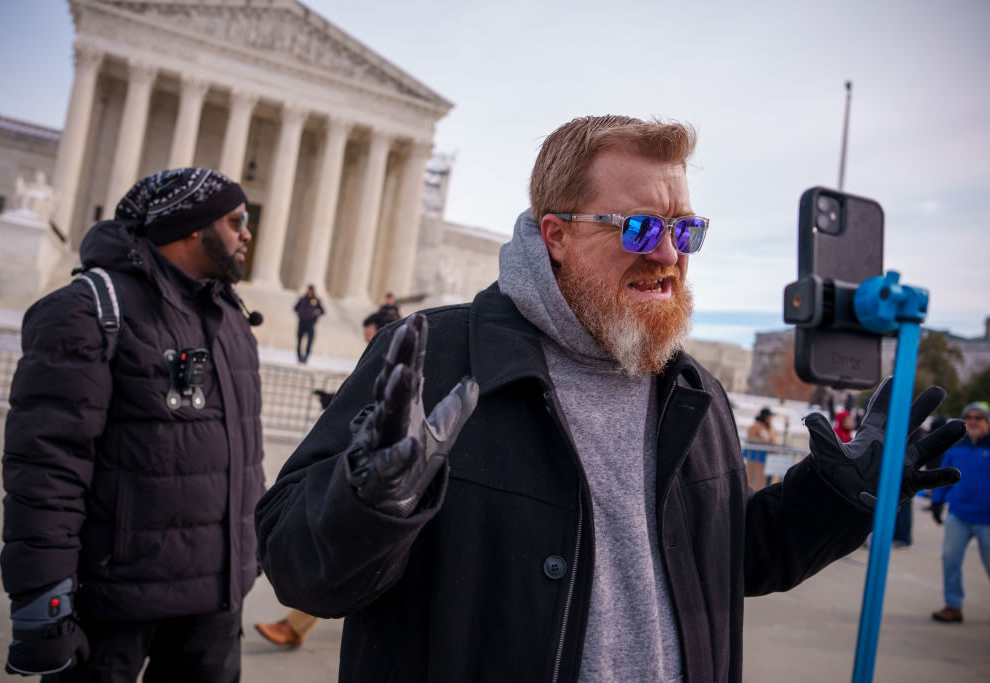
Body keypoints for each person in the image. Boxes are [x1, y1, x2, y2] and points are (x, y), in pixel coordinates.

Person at [254, 115, 964, 681]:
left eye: (686, 230)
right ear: (555, 235)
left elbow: (724, 563)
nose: (667, 254)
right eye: (638, 227)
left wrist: (836, 499)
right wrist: (368, 505)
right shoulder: (436, 356)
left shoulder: (694, 394)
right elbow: (297, 566)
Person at [0, 168, 265, 680]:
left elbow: (240, 456)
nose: (247, 233)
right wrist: (43, 601)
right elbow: (46, 466)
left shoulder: (230, 318)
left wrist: (251, 552)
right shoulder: (89, 310)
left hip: (214, 601)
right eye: (237, 220)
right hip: (112, 604)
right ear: (192, 225)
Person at [255, 309, 396, 648]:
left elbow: (379, 406)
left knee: (342, 552)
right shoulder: (387, 350)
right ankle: (295, 626)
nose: (365, 337)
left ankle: (294, 627)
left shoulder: (395, 352)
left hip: (379, 477)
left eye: (368, 331)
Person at [929, 401, 990, 623]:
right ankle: (953, 606)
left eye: (978, 417)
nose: (973, 421)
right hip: (958, 515)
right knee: (950, 559)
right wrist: (937, 501)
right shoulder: (956, 446)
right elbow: (944, 476)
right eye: (969, 417)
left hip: (987, 519)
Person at [294, 284, 325, 363]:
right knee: (299, 341)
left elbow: (322, 311)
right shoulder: (303, 299)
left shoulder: (316, 300)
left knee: (309, 342)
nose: (309, 292)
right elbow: (295, 308)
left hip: (311, 323)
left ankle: (306, 357)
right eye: (308, 290)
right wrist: (300, 313)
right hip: (302, 322)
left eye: (311, 291)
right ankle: (299, 357)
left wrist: (315, 315)